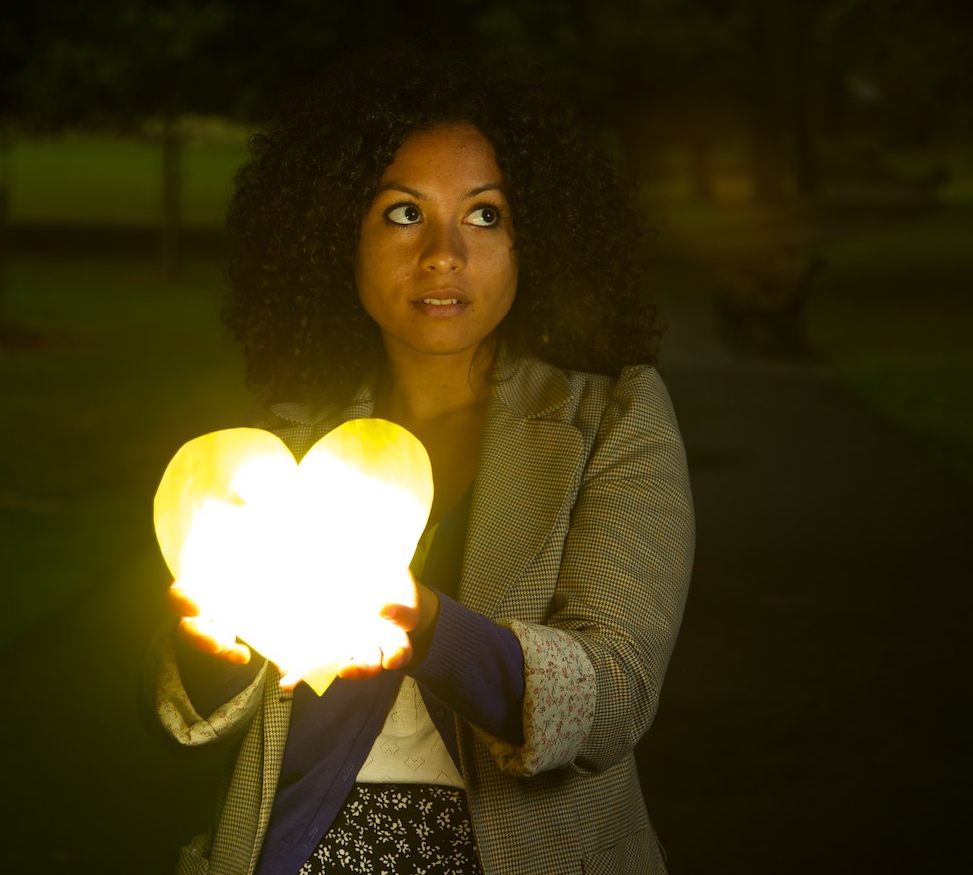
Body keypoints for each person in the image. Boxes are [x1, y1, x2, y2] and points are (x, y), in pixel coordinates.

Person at [145, 43, 695, 875]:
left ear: (532, 237)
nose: (444, 254)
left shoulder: (613, 419)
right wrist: (209, 653)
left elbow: (614, 695)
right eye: (404, 213)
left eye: (484, 214)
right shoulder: (286, 439)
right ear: (340, 234)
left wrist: (428, 627)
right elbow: (202, 708)